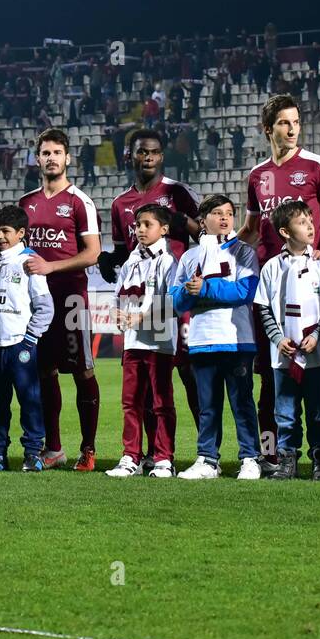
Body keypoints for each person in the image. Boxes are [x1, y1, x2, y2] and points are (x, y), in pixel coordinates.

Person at [240, 94, 320, 477]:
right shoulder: (257, 175)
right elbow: (251, 230)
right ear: (268, 129)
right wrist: (220, 254)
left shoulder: (317, 166)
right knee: (272, 375)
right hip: (271, 283)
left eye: (296, 121)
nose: (292, 128)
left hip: (309, 286)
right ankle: (278, 455)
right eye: (284, 123)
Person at [101, 128, 202, 466]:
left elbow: (203, 234)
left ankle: (206, 452)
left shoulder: (176, 192)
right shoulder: (120, 204)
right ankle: (145, 455)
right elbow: (122, 251)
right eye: (142, 152)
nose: (148, 157)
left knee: (188, 375)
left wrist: (180, 220)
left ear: (162, 157)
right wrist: (108, 261)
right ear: (130, 155)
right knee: (141, 382)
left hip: (174, 297)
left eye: (155, 152)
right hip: (139, 303)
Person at [19, 128, 102, 470]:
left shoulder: (79, 201)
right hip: (36, 303)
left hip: (70, 299)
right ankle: (53, 449)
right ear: (37, 158)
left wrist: (50, 266)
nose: (51, 158)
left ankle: (89, 448)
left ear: (68, 158)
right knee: (43, 372)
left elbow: (93, 252)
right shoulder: (27, 203)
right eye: (45, 152)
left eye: (57, 152)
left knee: (82, 370)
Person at [171, 195, 262, 480]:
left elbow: (245, 292)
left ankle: (250, 458)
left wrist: (206, 288)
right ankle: (208, 460)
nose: (224, 218)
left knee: (242, 403)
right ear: (203, 221)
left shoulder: (244, 252)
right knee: (207, 407)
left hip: (236, 339)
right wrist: (188, 292)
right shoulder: (189, 257)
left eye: (229, 213)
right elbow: (175, 301)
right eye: (217, 213)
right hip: (201, 340)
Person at [253, 202, 320, 481]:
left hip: (316, 354)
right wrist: (277, 338)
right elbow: (263, 307)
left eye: (311, 220)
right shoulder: (271, 267)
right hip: (283, 356)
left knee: (318, 413)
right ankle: (287, 460)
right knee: (286, 414)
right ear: (284, 231)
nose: (311, 226)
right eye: (302, 222)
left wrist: (317, 335)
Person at [0, 206, 54, 473]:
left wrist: (30, 340)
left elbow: (45, 307)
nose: (0, 236)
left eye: (6, 231)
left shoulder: (30, 262)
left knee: (29, 400)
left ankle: (32, 454)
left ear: (21, 233)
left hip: (19, 344)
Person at [106, 204, 178, 479]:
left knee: (161, 403)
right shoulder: (131, 261)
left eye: (148, 224)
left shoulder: (169, 261)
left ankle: (163, 458)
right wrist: (117, 313)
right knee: (131, 403)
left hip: (159, 341)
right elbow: (117, 295)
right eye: (138, 225)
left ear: (164, 228)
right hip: (133, 342)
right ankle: (130, 457)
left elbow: (172, 301)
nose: (141, 229)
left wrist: (141, 318)